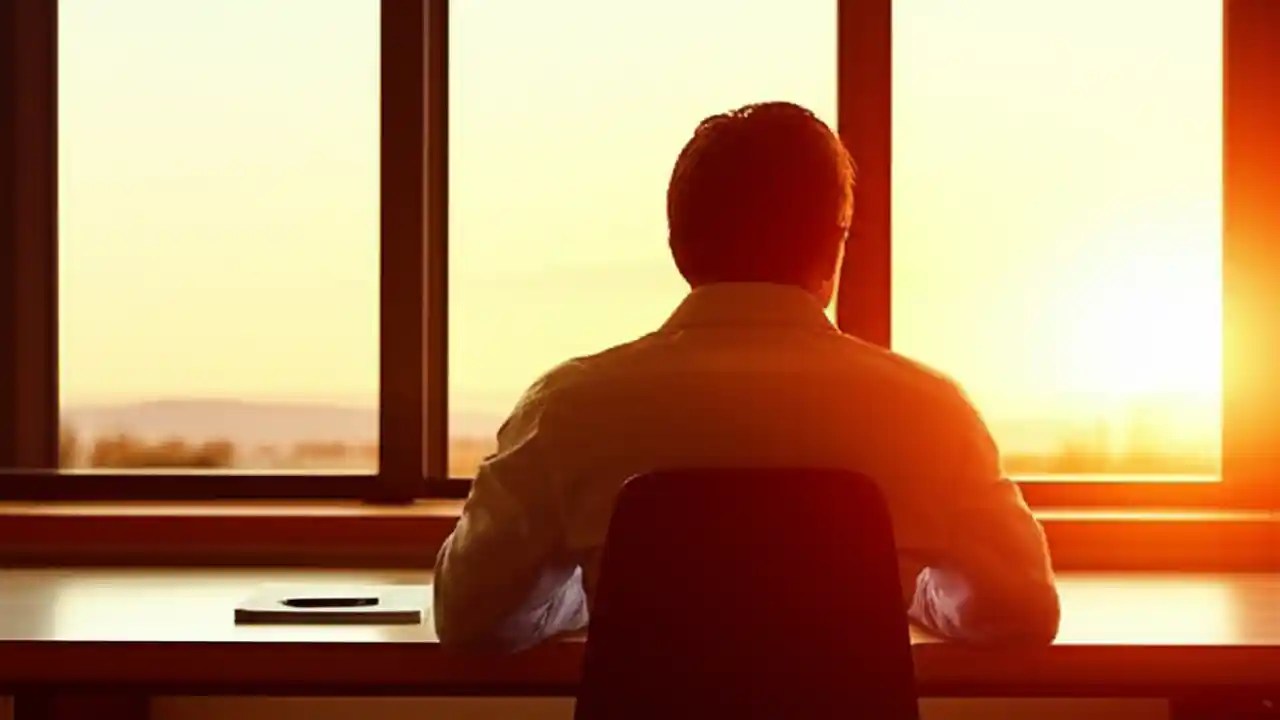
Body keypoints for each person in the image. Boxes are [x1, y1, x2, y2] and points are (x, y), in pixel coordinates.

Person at [434, 101, 1059, 651]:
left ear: (679, 244)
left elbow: (470, 615)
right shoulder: (929, 412)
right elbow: (1022, 611)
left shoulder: (567, 408)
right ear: (836, 244)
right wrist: (913, 594)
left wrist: (590, 596)